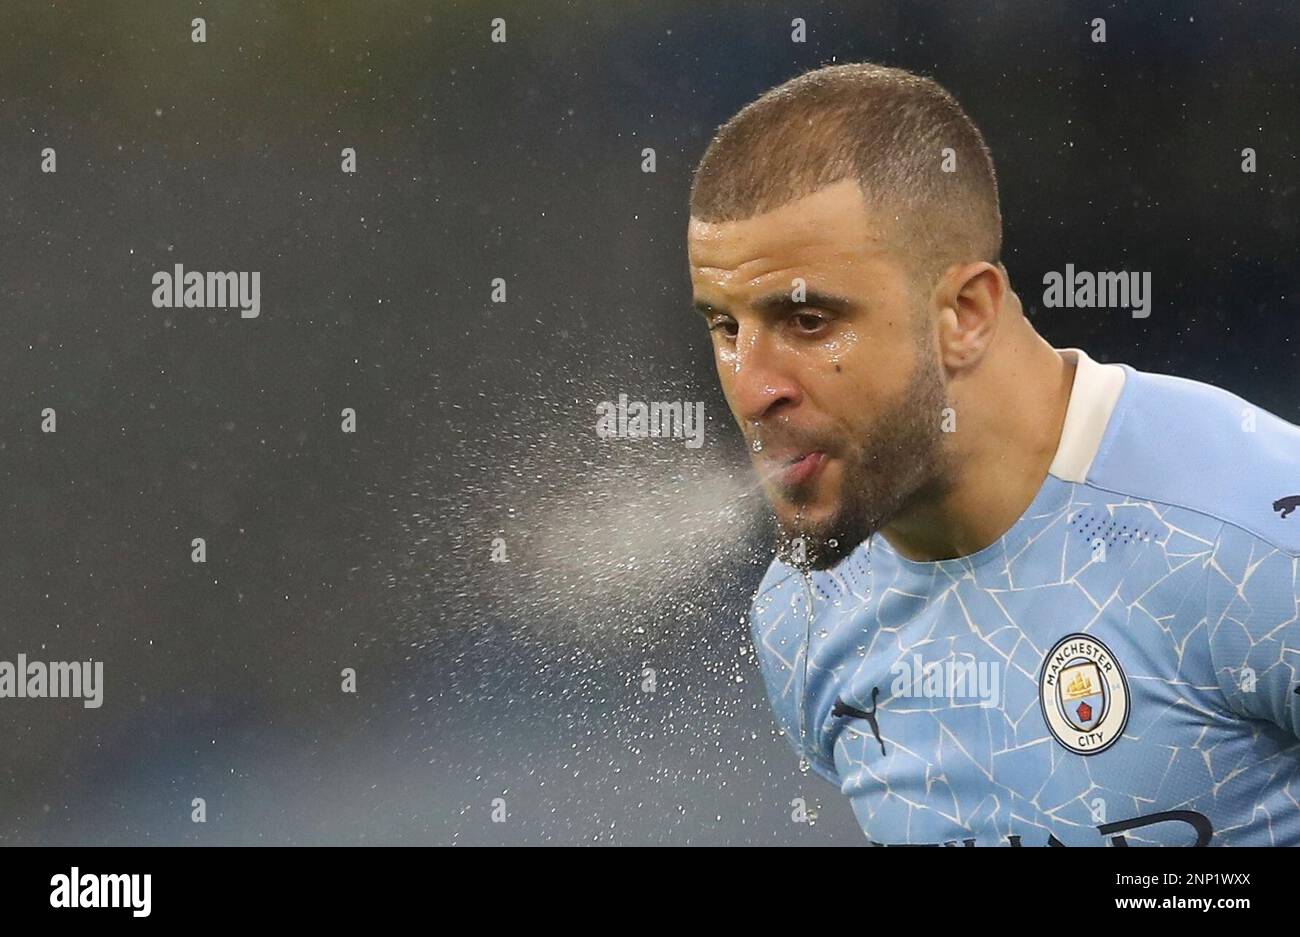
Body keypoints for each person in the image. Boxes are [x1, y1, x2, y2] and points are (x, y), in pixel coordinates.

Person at [686, 62, 1300, 846]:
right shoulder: (803, 617)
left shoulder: (1255, 548)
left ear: (965, 314)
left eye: (808, 320)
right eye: (725, 327)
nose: (752, 387)